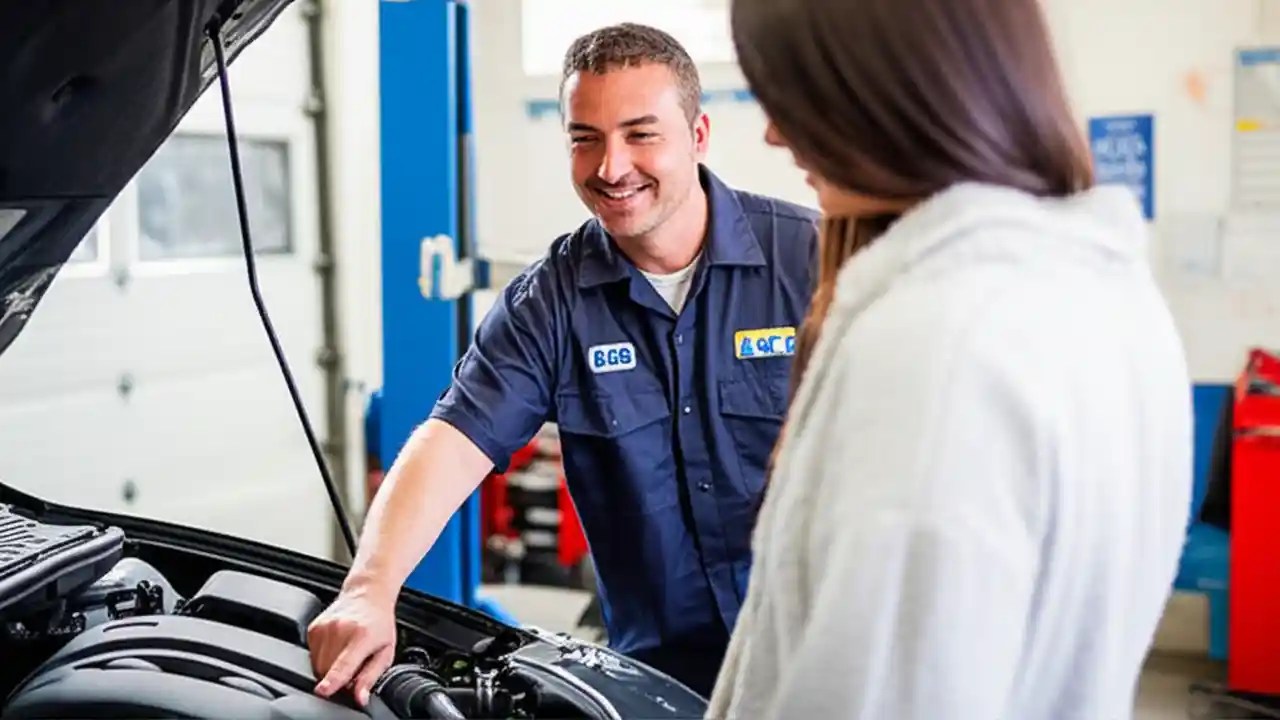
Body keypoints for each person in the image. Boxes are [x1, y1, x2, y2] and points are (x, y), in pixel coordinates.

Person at [705, 1, 1194, 718]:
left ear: (886, 82)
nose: (775, 133)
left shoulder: (938, 347)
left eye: (792, 92)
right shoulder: (1106, 294)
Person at [307, 22, 819, 703]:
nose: (611, 168)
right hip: (657, 682)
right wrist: (370, 587)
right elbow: (453, 441)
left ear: (697, 137)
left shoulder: (809, 259)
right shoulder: (551, 299)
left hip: (821, 656)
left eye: (641, 134)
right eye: (585, 139)